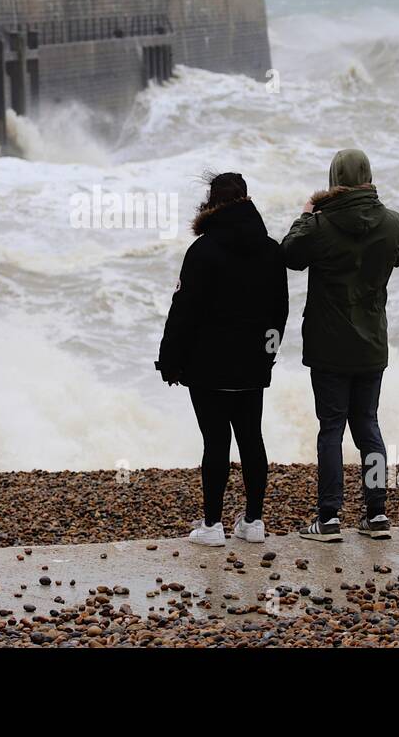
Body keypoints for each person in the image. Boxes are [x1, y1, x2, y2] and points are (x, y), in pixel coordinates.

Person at [282, 149, 399, 541]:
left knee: (331, 429)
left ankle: (329, 516)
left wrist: (306, 213)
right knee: (368, 426)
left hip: (328, 345)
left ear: (332, 180)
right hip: (372, 342)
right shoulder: (392, 223)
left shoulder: (320, 226)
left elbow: (289, 253)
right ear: (370, 178)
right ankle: (376, 514)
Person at [158, 172, 288, 547]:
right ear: (247, 199)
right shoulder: (270, 249)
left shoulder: (202, 250)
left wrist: (170, 360)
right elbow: (279, 309)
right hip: (253, 363)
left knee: (215, 442)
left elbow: (183, 310)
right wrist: (269, 354)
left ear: (211, 204)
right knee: (251, 439)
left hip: (208, 365)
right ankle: (254, 521)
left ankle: (212, 525)